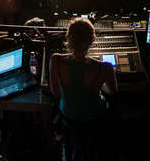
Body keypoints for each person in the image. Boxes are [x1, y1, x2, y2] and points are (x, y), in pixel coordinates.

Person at [49, 18, 117, 161]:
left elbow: (56, 93)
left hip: (68, 114)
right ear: (92, 40)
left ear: (68, 38)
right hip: (94, 117)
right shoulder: (105, 67)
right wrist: (99, 83)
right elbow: (112, 91)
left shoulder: (55, 60)